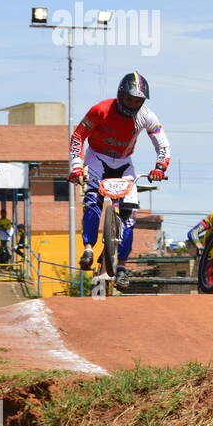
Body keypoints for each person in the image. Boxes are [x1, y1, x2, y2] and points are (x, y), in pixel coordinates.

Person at [70, 72, 172, 289]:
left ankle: (123, 268)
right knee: (91, 201)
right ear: (120, 96)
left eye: (138, 101)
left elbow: (162, 144)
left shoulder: (146, 116)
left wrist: (160, 168)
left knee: (130, 216)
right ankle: (88, 248)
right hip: (97, 159)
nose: (133, 104)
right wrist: (77, 167)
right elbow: (78, 136)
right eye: (129, 99)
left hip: (125, 164)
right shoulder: (100, 110)